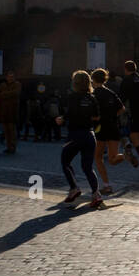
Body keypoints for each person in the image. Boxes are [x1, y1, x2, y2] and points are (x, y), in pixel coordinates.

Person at [55, 69, 104, 208]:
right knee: (88, 167)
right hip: (90, 135)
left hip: (75, 135)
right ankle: (96, 194)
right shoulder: (92, 98)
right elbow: (97, 117)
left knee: (65, 162)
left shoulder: (73, 97)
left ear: (75, 83)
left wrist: (61, 119)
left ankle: (74, 188)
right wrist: (87, 116)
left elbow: (70, 113)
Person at [90, 69, 127, 194]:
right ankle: (125, 156)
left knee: (98, 157)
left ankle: (107, 185)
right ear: (105, 79)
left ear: (93, 80)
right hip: (113, 127)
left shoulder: (93, 94)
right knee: (112, 158)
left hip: (100, 129)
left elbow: (93, 114)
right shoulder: (111, 93)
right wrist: (112, 115)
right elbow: (122, 109)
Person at [0, 70, 22, 154]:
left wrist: (4, 94)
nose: (10, 78)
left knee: (12, 132)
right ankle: (8, 147)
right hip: (4, 112)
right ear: (6, 77)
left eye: (12, 76)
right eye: (9, 76)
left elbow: (16, 93)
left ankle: (13, 147)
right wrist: (7, 95)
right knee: (6, 132)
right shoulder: (2, 85)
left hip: (13, 112)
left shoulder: (17, 84)